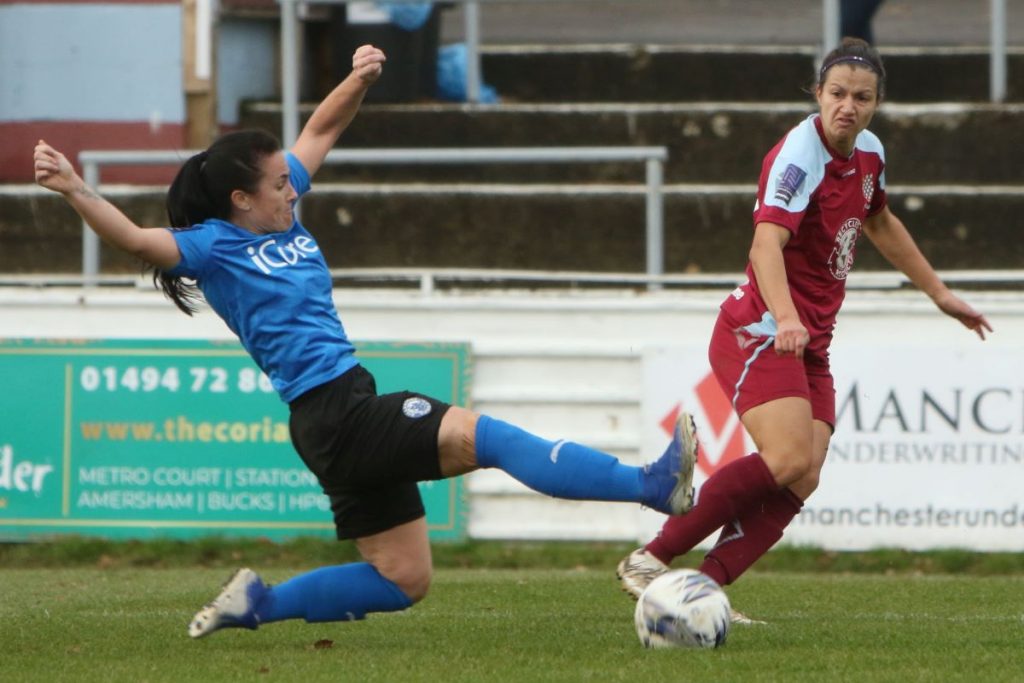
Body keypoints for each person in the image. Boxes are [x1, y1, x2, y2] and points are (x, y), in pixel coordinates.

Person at [33, 44, 698, 639]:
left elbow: (321, 129)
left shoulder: (279, 213)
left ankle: (259, 602)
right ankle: (649, 484)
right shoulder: (215, 245)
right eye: (279, 182)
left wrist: (358, 78)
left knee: (403, 576)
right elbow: (135, 239)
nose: (293, 185)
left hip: (335, 416)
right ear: (241, 197)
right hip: (335, 412)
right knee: (485, 436)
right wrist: (74, 187)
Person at [616, 38, 991, 623]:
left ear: (876, 103)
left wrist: (939, 293)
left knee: (805, 474)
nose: (849, 106)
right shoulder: (798, 156)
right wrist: (787, 318)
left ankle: (702, 590)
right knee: (788, 456)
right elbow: (765, 242)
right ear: (817, 93)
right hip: (759, 328)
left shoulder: (869, 152)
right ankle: (651, 558)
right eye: (837, 93)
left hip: (809, 338)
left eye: (862, 98)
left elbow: (880, 220)